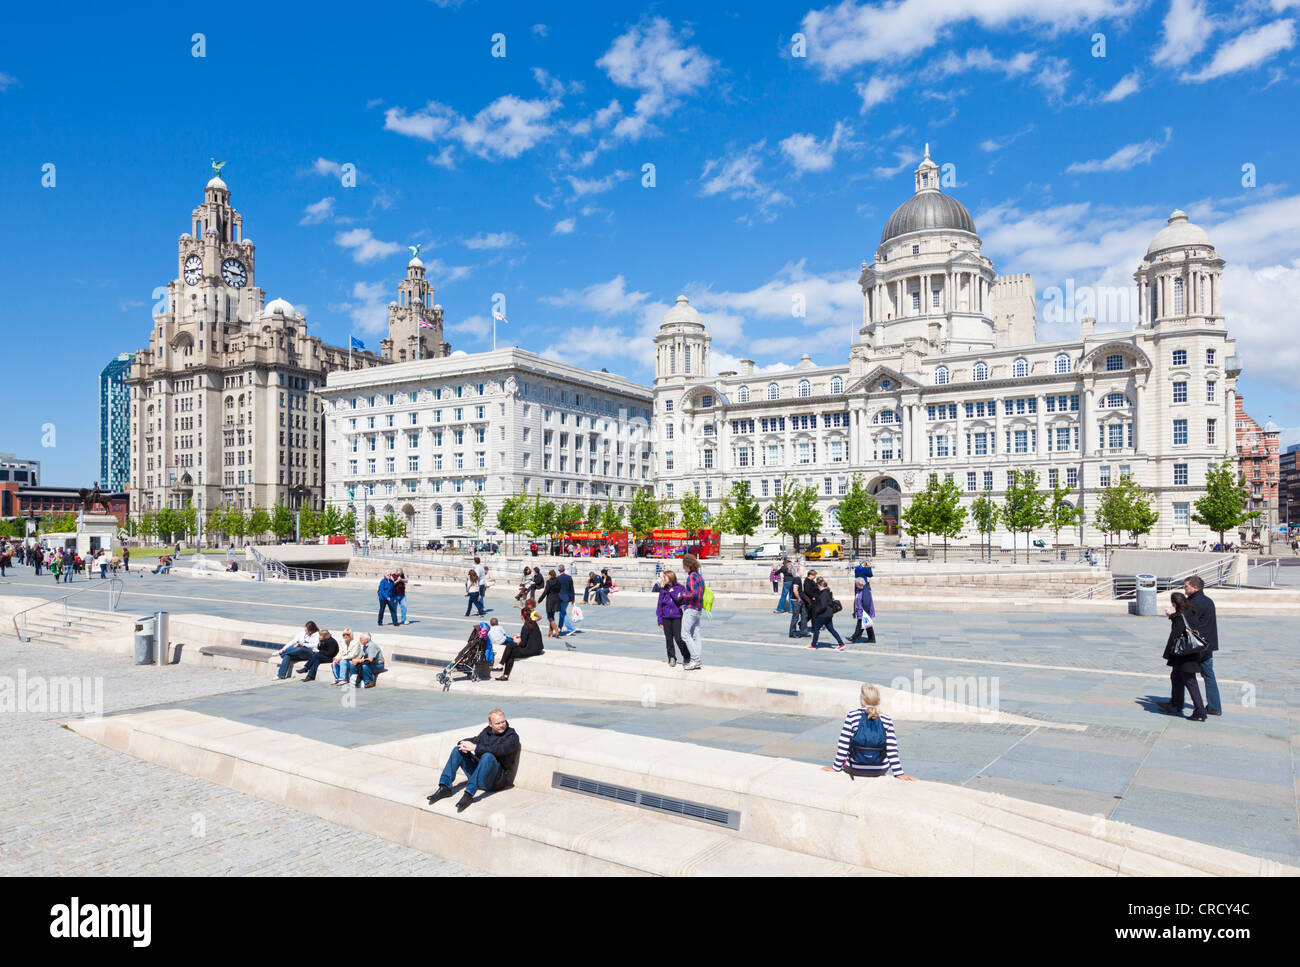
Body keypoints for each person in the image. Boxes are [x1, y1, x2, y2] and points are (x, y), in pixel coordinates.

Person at [426, 709, 521, 812]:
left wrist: (475, 747)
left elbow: (498, 750)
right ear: (490, 724)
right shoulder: (487, 732)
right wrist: (462, 743)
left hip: (495, 781)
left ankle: (469, 794)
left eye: (503, 721)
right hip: (479, 775)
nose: (502, 725)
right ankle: (445, 787)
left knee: (488, 756)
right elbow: (476, 740)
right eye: (497, 723)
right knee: (458, 750)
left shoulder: (512, 737)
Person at [823, 684, 915, 780]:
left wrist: (836, 767)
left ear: (861, 699)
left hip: (855, 768)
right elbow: (892, 749)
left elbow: (843, 745)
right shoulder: (886, 719)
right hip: (879, 769)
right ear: (878, 700)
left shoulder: (852, 716)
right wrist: (899, 773)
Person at [1156, 593, 1207, 721]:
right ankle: (1175, 705)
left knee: (1190, 682)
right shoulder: (1191, 610)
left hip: (1184, 655)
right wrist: (1173, 616)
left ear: (1174, 603)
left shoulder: (1180, 617)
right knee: (1176, 677)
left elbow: (1175, 635)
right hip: (1191, 653)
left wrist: (1167, 654)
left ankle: (1200, 711)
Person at [1180, 575, 1221, 716]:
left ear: (1195, 587)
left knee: (1183, 673)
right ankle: (1215, 707)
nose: (1184, 589)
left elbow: (1187, 623)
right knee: (1208, 674)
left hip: (1196, 645)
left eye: (1186, 586)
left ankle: (1179, 703)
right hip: (1208, 644)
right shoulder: (1208, 601)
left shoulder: (1194, 602)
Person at [497, 611, 545, 681]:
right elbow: (531, 634)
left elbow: (523, 644)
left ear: (522, 616)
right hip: (538, 649)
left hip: (531, 650)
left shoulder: (525, 626)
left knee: (510, 650)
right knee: (510, 647)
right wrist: (520, 635)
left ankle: (502, 668)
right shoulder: (534, 623)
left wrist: (516, 641)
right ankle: (503, 672)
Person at [656, 569, 690, 666]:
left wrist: (672, 592)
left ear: (670, 577)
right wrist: (660, 620)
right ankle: (671, 657)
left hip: (677, 617)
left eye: (665, 577)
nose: (663, 579)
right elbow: (659, 606)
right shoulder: (663, 590)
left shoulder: (680, 588)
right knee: (669, 639)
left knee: (679, 638)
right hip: (666, 617)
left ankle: (686, 656)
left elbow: (681, 601)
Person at [679, 553, 705, 670]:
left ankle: (695, 660)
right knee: (696, 635)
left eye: (683, 564)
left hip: (691, 608)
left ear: (687, 565)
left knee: (684, 634)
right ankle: (697, 659)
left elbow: (693, 593)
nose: (682, 567)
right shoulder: (699, 576)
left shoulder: (691, 577)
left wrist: (682, 595)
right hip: (698, 608)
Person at [808, 576, 845, 649]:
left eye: (818, 586)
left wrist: (816, 612)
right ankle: (841, 644)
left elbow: (823, 606)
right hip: (829, 614)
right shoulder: (828, 592)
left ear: (821, 586)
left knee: (816, 629)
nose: (818, 587)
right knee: (831, 629)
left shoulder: (823, 594)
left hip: (823, 615)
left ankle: (813, 645)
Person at [556, 565, 576, 645]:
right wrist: (573, 598)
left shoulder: (558, 578)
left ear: (559, 570)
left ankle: (571, 628)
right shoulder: (569, 577)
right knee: (562, 612)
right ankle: (559, 628)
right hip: (567, 598)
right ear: (564, 569)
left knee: (563, 613)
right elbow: (572, 588)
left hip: (560, 598)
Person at [788, 566, 808, 638]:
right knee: (795, 617)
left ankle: (804, 631)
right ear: (799, 571)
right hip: (796, 600)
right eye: (803, 571)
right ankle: (792, 633)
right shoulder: (796, 579)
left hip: (800, 600)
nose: (804, 572)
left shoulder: (798, 579)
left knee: (804, 615)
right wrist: (798, 598)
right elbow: (795, 590)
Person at [542, 568, 561, 637]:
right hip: (556, 599)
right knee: (552, 616)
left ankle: (556, 628)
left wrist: (540, 599)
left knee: (549, 617)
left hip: (550, 599)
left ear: (550, 575)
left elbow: (546, 591)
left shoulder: (549, 582)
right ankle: (550, 632)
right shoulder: (558, 581)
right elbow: (559, 589)